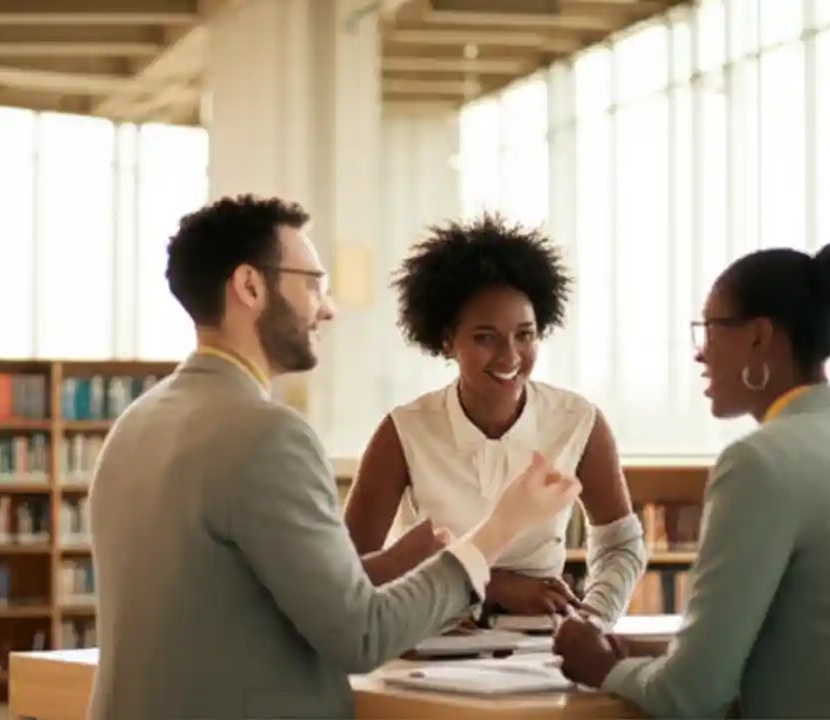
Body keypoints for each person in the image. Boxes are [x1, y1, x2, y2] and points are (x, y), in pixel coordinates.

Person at [86, 195, 582, 720]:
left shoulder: (137, 423)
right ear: (251, 286)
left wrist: (395, 565)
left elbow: (245, 597)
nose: (327, 307)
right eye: (312, 283)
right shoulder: (269, 436)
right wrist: (498, 529)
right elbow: (362, 637)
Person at [553, 242, 830, 719]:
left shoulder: (760, 462)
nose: (700, 354)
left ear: (759, 337)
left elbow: (691, 696)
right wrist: (661, 654)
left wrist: (599, 664)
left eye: (709, 329)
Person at [343, 213, 647, 626]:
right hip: (435, 634)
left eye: (524, 335)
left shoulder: (579, 421)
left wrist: (590, 622)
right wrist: (497, 585)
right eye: (485, 337)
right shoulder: (404, 431)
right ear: (447, 340)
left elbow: (621, 547)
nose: (509, 357)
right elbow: (350, 571)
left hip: (543, 641)